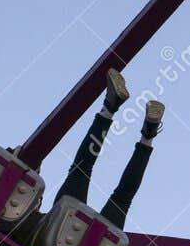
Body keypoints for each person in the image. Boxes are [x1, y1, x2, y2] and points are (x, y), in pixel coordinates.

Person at [56, 68, 165, 225]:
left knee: (122, 199)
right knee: (81, 170)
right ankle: (111, 109)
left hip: (92, 242)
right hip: (72, 231)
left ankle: (147, 136)